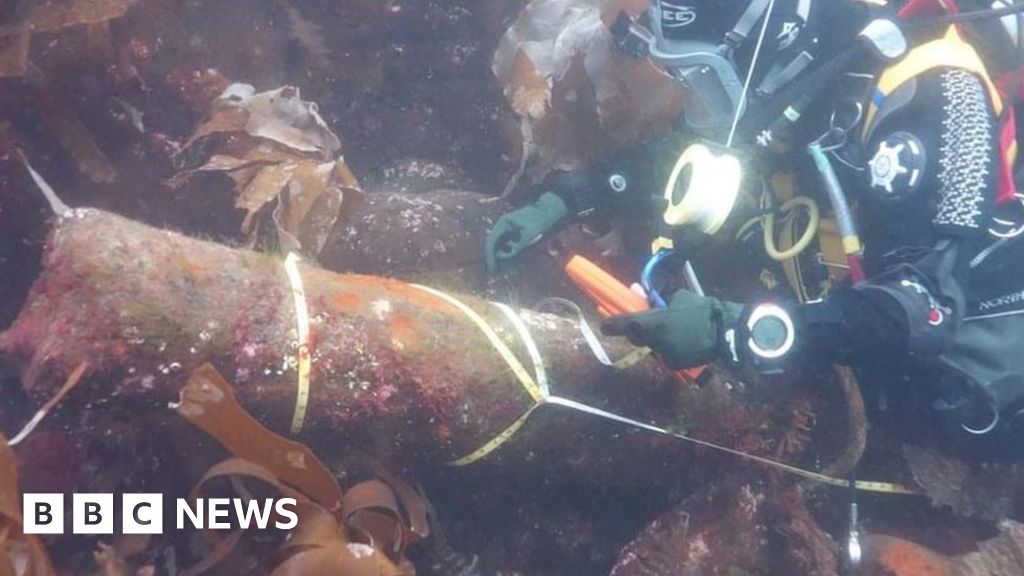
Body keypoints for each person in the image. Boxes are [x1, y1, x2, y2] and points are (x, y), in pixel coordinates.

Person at [485, 0, 1024, 459]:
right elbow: (703, 153)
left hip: (960, 394)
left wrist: (737, 332)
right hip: (851, 340)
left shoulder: (940, 89)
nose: (703, 100)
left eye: (707, 75)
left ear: (775, 33)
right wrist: (568, 197)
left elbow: (926, 308)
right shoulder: (805, 75)